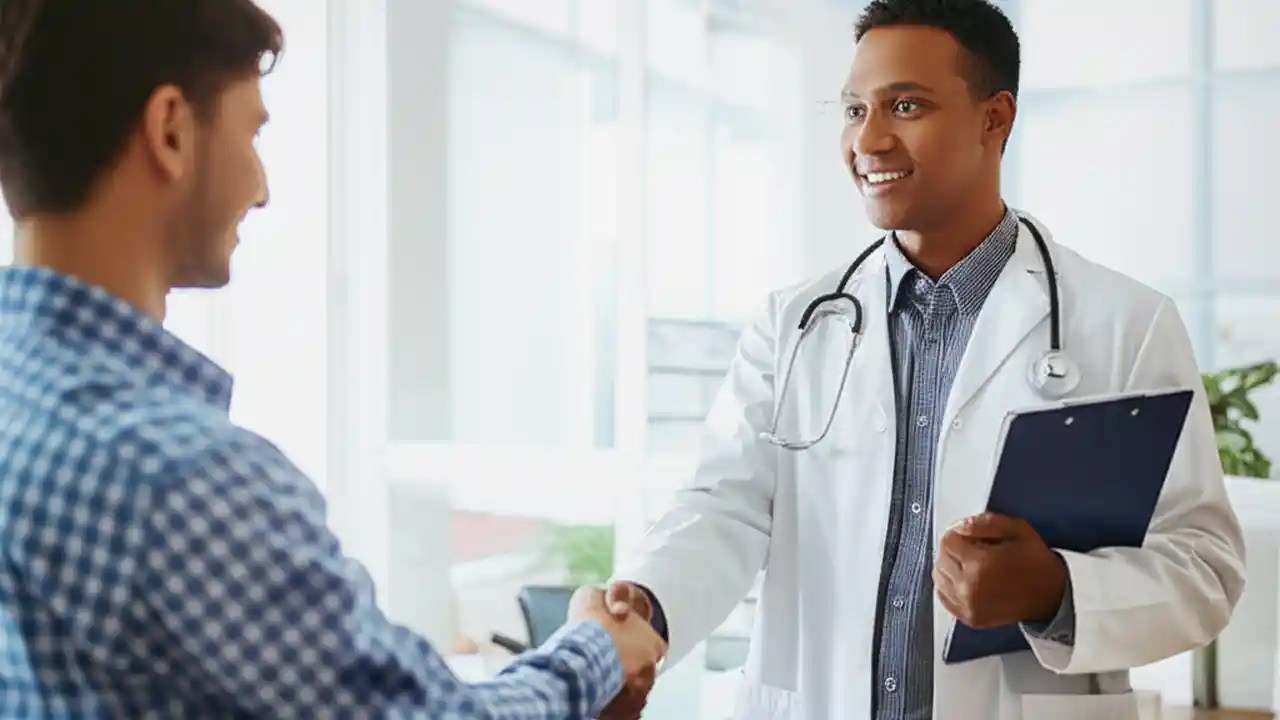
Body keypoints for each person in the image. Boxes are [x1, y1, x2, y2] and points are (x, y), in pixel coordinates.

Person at [0, 1, 664, 717]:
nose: (261, 186)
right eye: (252, 130)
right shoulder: (179, 477)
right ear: (170, 129)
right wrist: (595, 650)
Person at [601, 1, 1246, 718]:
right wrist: (649, 605)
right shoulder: (794, 325)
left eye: (905, 105)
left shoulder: (1127, 324)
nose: (868, 139)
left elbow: (1205, 566)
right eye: (853, 110)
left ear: (994, 119)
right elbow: (724, 509)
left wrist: (1055, 590)